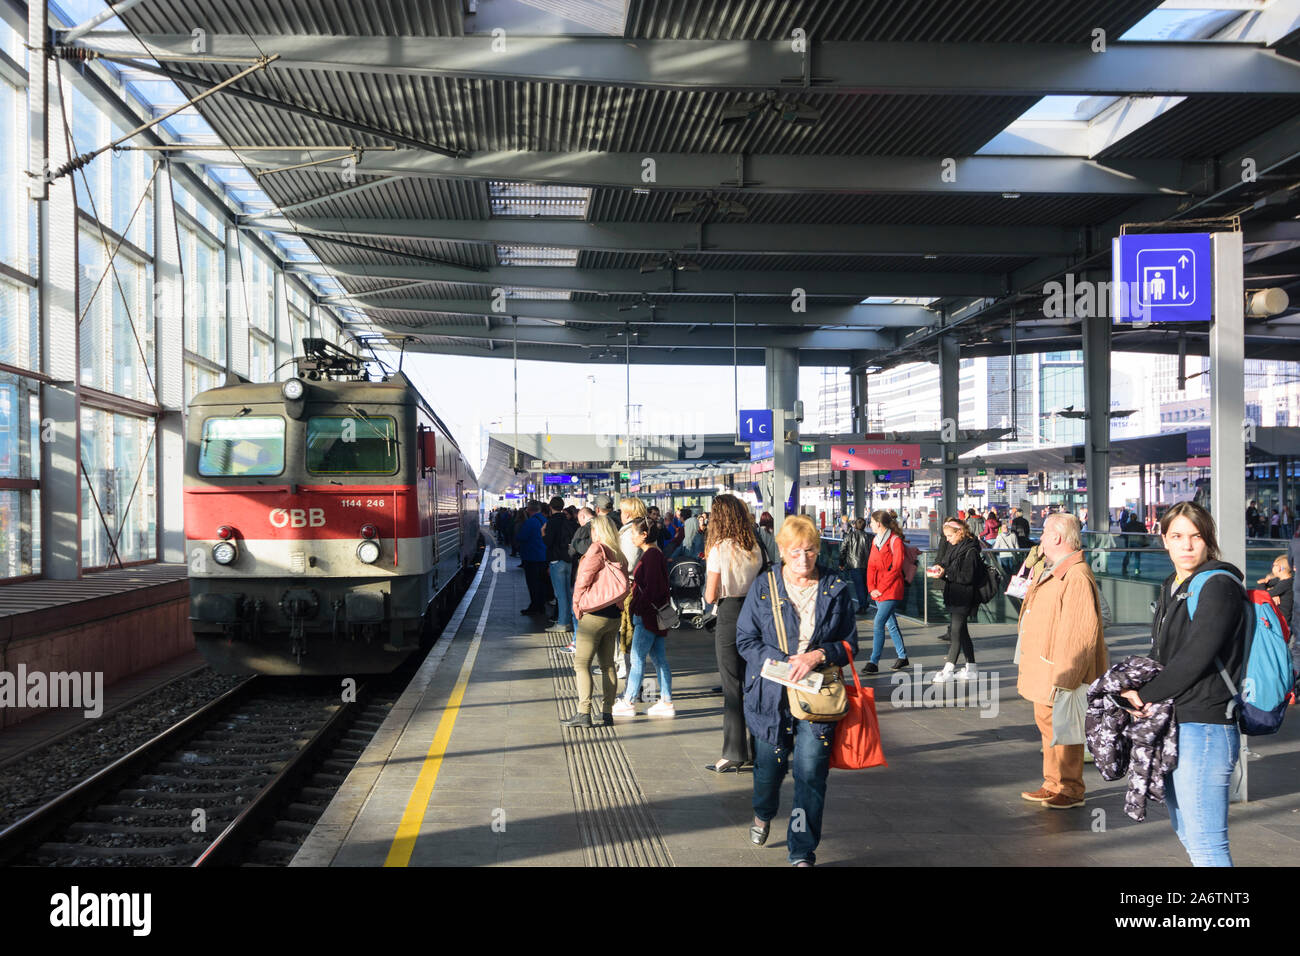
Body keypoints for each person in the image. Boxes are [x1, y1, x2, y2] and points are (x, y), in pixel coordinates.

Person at [1119, 502, 1248, 866]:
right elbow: (1163, 654)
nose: (1186, 545)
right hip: (1177, 722)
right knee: (1187, 832)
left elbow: (1197, 656)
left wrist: (1142, 696)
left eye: (1196, 537)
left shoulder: (1219, 585)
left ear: (1209, 541)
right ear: (1164, 540)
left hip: (1205, 727)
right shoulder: (1173, 586)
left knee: (1207, 844)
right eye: (1177, 536)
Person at [735, 514, 858, 867]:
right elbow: (745, 639)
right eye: (795, 551)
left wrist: (820, 653)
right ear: (783, 551)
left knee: (810, 776)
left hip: (817, 697)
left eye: (810, 550)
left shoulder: (835, 588)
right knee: (769, 768)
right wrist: (780, 663)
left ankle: (802, 850)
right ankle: (763, 811)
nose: (803, 558)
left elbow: (850, 643)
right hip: (770, 694)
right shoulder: (763, 587)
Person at [1015, 512, 1108, 810]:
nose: (1040, 538)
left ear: (1056, 537)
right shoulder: (1055, 569)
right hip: (1046, 664)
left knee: (1065, 727)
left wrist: (1066, 677)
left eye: (1043, 533)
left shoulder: (1075, 574)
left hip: (1060, 668)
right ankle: (1052, 782)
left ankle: (1069, 788)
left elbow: (1080, 632)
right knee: (1048, 725)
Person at [702, 493, 766, 772]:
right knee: (753, 682)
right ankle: (757, 748)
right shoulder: (755, 546)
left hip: (729, 616)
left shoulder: (719, 549)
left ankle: (733, 752)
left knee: (731, 686)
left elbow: (710, 593)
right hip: (756, 615)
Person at [563, 515, 629, 728]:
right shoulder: (618, 551)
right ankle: (607, 713)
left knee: (581, 664)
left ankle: (584, 712)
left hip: (594, 616)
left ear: (596, 531)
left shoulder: (596, 549)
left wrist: (576, 605)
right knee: (608, 664)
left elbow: (583, 580)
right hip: (613, 616)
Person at [612, 516, 675, 719]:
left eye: (634, 533)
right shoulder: (654, 554)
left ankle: (629, 701)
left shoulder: (650, 556)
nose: (631, 537)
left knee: (637, 658)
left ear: (644, 535)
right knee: (659, 659)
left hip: (647, 616)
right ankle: (666, 700)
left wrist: (638, 607)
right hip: (655, 615)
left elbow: (652, 588)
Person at [929, 517, 981, 683]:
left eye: (950, 536)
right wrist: (940, 570)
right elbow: (948, 565)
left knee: (956, 632)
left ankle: (948, 669)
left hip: (963, 596)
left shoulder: (970, 550)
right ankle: (971, 667)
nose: (948, 540)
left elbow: (967, 576)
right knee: (962, 631)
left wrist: (946, 573)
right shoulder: (956, 547)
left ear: (959, 533)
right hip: (954, 594)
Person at [864, 510, 909, 673]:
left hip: (891, 590)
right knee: (890, 623)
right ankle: (902, 657)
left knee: (879, 622)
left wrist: (879, 589)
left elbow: (896, 568)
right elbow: (871, 567)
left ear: (879, 523)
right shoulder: (875, 540)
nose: (870, 525)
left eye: (871, 522)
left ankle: (873, 662)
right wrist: (871, 588)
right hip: (878, 590)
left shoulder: (895, 541)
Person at [544, 496, 576, 635]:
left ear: (550, 507)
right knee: (567, 593)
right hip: (568, 560)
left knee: (560, 594)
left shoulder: (552, 522)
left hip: (556, 561)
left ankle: (562, 623)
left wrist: (543, 533)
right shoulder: (567, 520)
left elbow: (548, 542)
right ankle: (568, 620)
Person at [516, 501, 549, 616]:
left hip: (532, 557)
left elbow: (521, 537)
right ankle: (541, 606)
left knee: (533, 583)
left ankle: (535, 606)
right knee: (542, 583)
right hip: (544, 557)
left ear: (529, 510)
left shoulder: (530, 522)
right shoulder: (545, 520)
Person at [837, 516, 869, 615]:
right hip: (867, 565)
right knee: (865, 585)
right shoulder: (870, 537)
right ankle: (864, 602)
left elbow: (842, 550)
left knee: (859, 586)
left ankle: (862, 606)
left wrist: (841, 563)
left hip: (854, 565)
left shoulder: (849, 536)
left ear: (855, 525)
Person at [1257, 555, 1293, 625]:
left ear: (1279, 568)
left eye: (1274, 565)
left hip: (1283, 623)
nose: (1272, 567)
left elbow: (1263, 594)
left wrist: (1270, 593)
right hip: (1280, 621)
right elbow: (1262, 586)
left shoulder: (1286, 583)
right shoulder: (1281, 580)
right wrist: (1272, 593)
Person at [1121, 509, 1147, 577]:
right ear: (1136, 518)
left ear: (1130, 518)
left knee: (1128, 555)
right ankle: (1137, 570)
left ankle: (1124, 568)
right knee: (1137, 556)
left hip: (1129, 542)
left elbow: (1123, 534)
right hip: (1138, 542)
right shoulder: (1140, 524)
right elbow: (1145, 531)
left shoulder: (1127, 525)